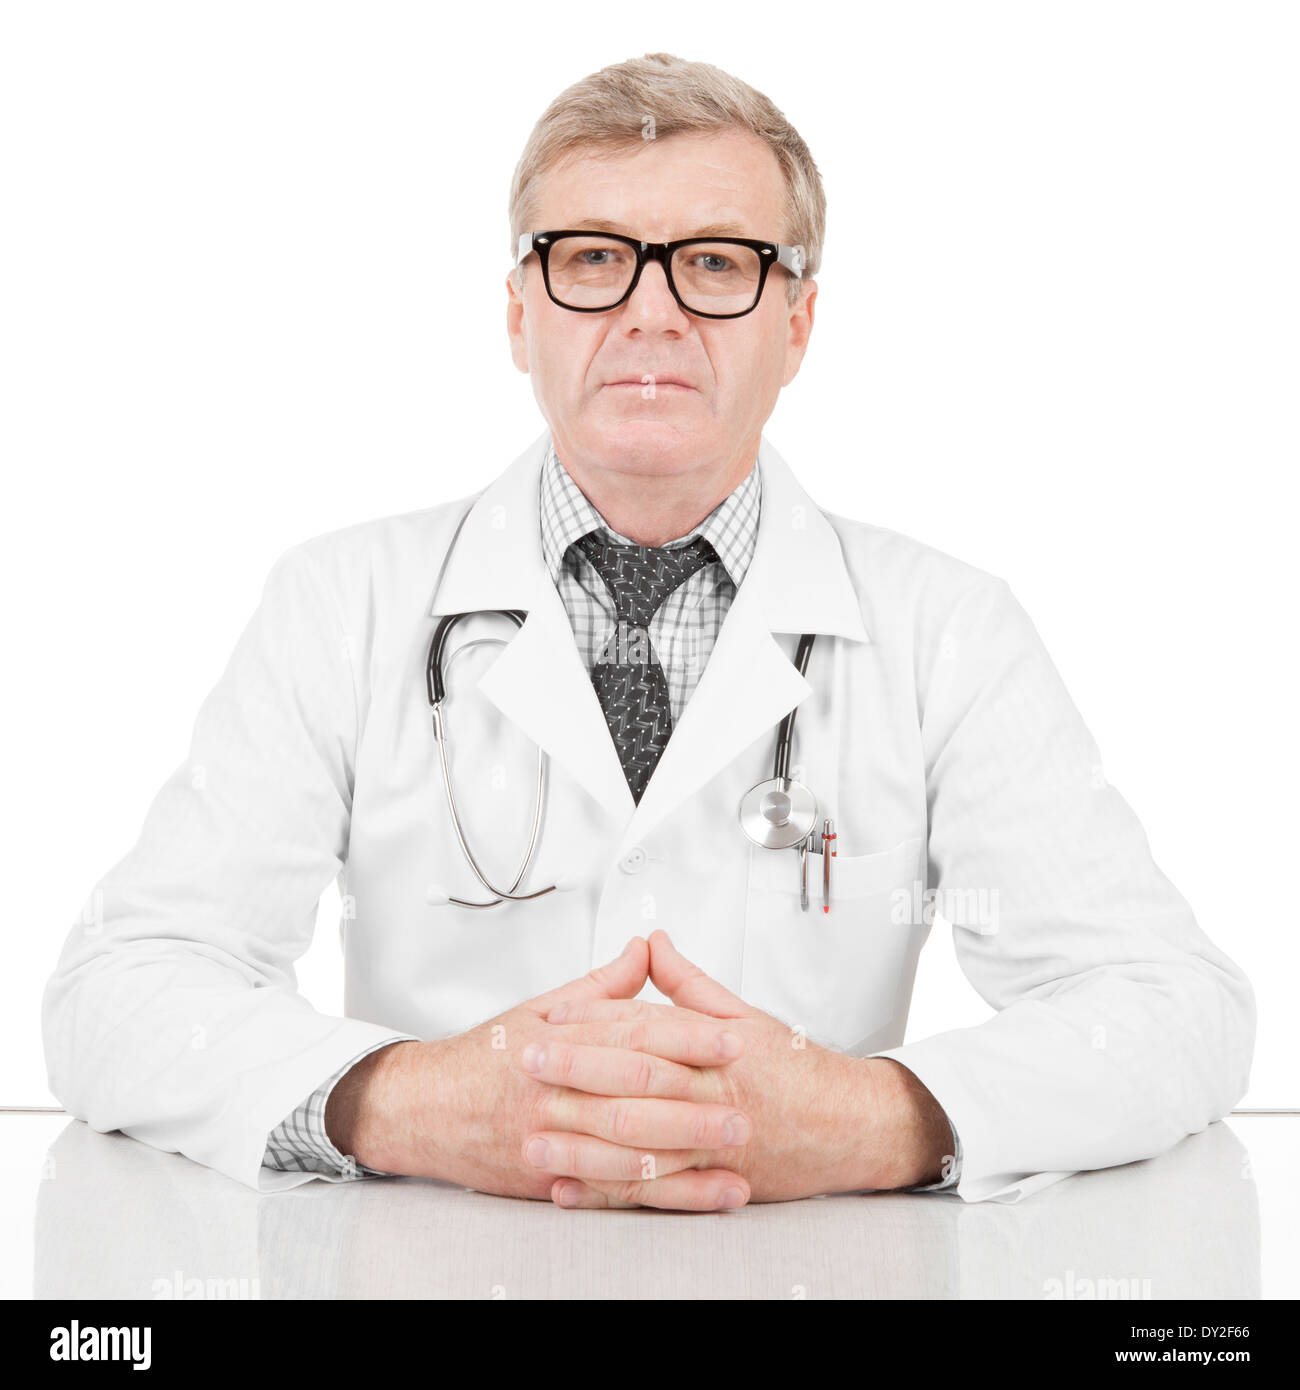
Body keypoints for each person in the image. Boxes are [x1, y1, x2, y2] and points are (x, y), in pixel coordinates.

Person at [43, 52, 1254, 1210]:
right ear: (520, 314)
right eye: (592, 259)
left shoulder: (946, 629)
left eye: (716, 263)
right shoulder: (342, 603)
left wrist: (872, 1120)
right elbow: (118, 989)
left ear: (798, 321)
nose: (651, 312)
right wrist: (407, 1102)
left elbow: (1168, 1004)